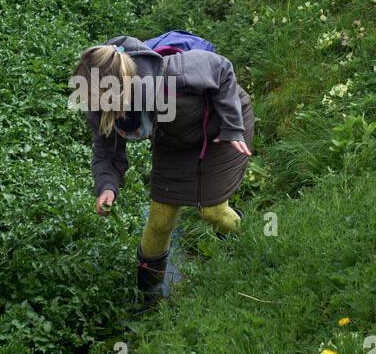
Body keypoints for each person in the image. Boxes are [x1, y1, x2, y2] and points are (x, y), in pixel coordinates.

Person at [74, 34, 254, 298]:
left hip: (221, 129)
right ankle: (149, 296)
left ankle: (248, 246)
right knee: (160, 217)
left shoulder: (172, 74)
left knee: (212, 211)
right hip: (175, 139)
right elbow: (106, 153)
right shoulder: (100, 106)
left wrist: (232, 128)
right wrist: (107, 187)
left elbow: (223, 69)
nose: (91, 106)